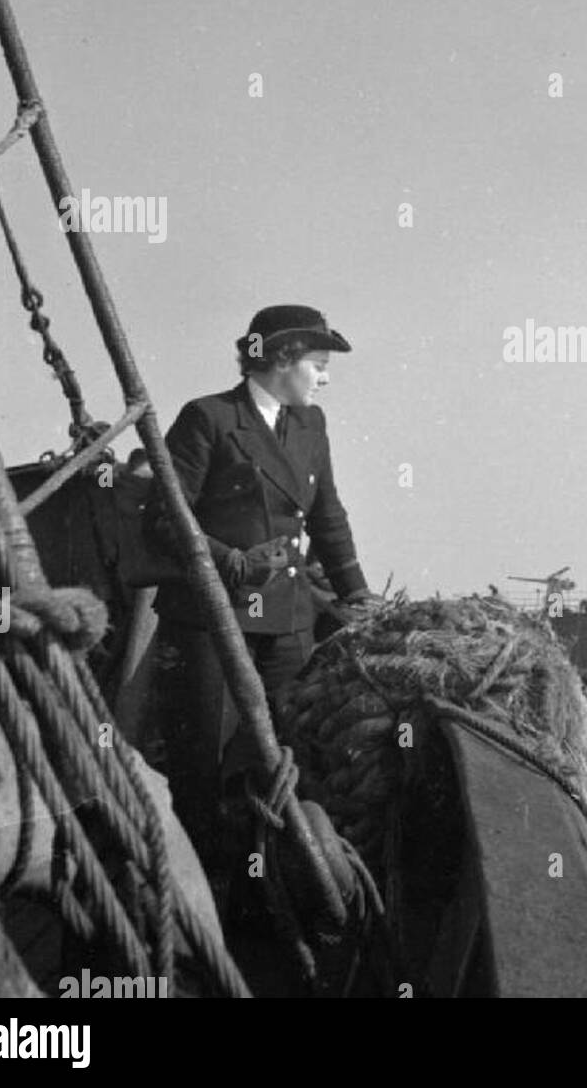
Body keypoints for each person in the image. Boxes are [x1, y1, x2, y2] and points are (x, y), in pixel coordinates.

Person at [144, 304, 373, 874]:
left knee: (285, 761)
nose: (325, 378)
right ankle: (205, 902)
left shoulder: (310, 425)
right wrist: (234, 563)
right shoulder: (209, 419)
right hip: (212, 624)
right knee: (203, 769)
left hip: (288, 625)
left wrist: (358, 596)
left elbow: (328, 517)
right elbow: (163, 518)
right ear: (283, 360)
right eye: (318, 364)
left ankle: (264, 891)